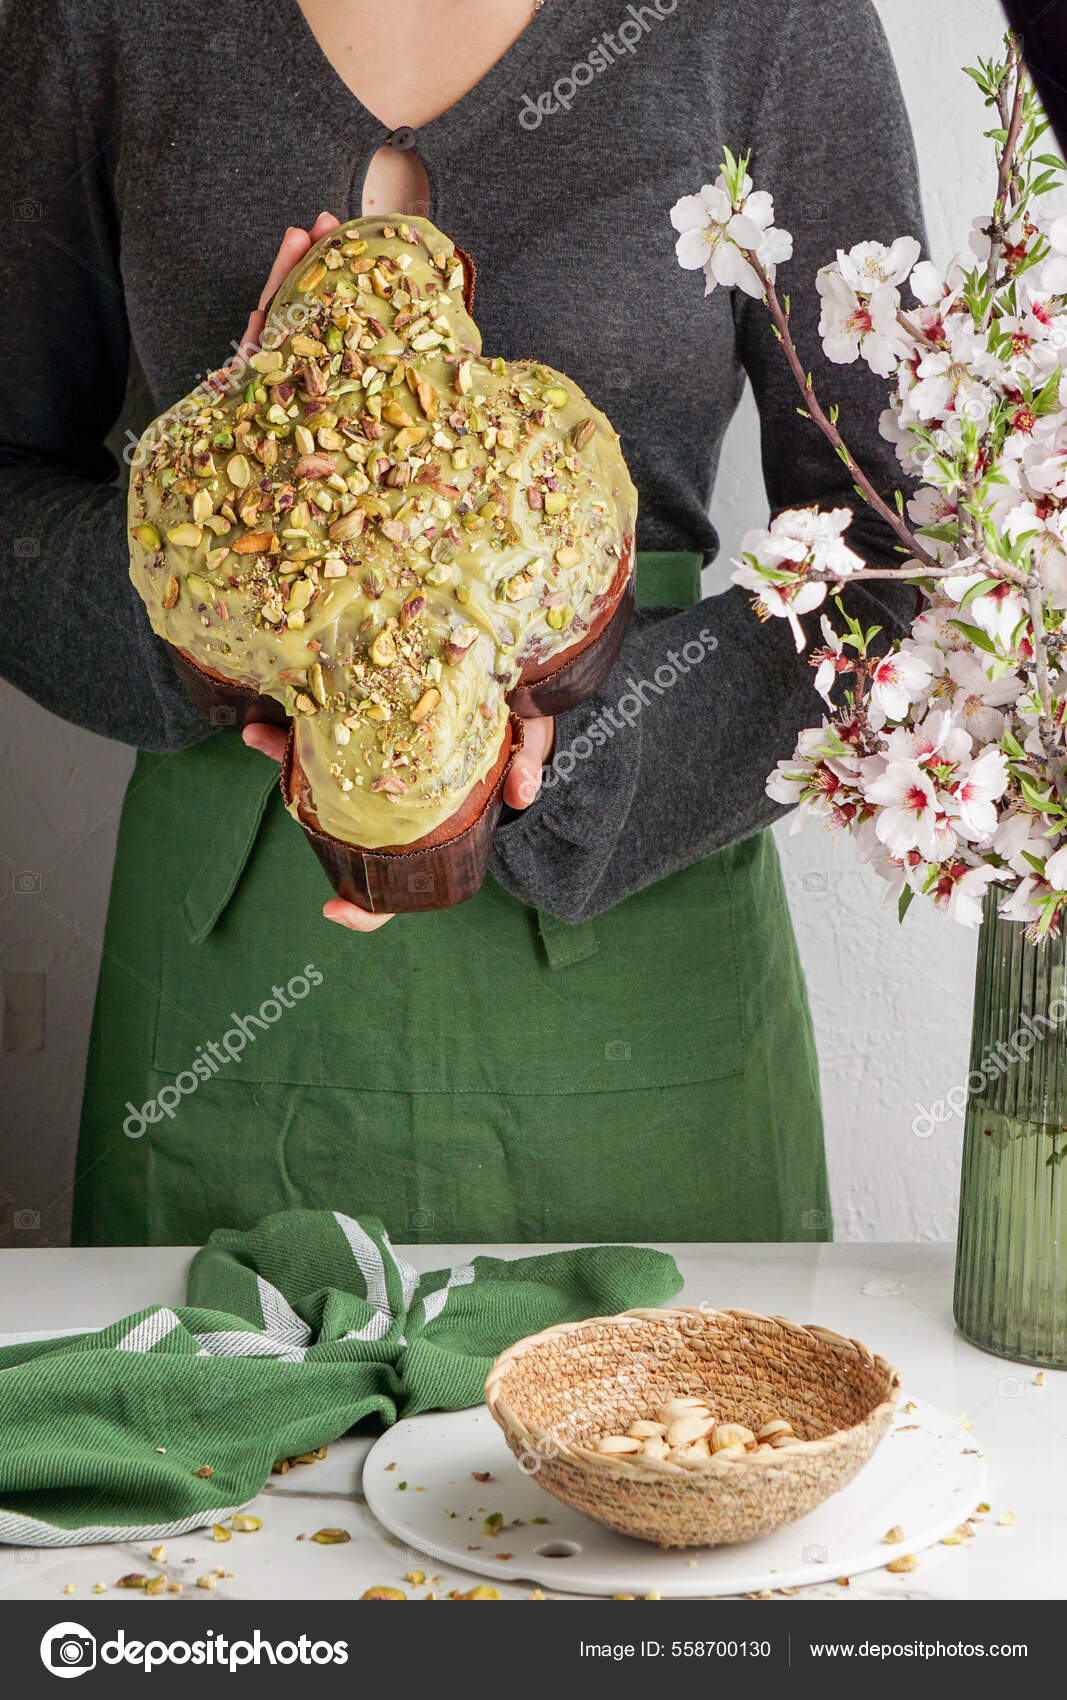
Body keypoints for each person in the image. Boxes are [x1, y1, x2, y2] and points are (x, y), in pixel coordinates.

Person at [0, 0, 924, 1247]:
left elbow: (896, 543)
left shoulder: (764, 23)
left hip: (644, 948)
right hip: (225, 960)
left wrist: (598, 755)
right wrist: (218, 602)